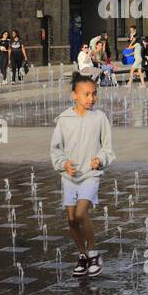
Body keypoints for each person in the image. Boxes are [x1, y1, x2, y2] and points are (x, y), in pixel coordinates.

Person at [49, 72, 115, 277]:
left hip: (90, 174)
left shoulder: (100, 117)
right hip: (69, 176)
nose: (91, 99)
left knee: (80, 213)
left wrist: (100, 159)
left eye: (94, 94)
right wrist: (63, 164)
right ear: (74, 96)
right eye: (86, 94)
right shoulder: (64, 119)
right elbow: (56, 148)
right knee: (70, 219)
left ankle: (94, 253)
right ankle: (82, 255)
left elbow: (107, 147)